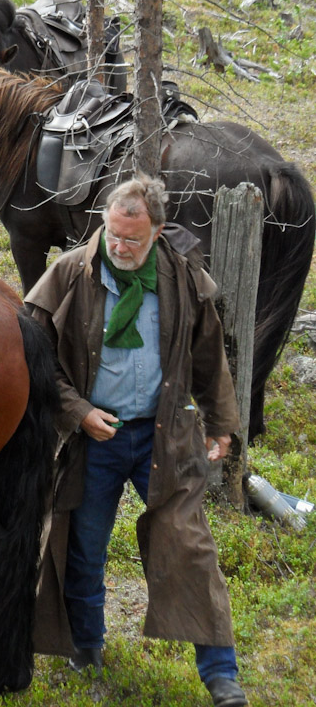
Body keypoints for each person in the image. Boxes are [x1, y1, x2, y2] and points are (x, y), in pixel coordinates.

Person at [25, 175, 248, 707]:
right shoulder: (70, 274)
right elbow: (35, 359)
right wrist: (77, 412)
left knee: (191, 550)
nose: (119, 248)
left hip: (163, 438)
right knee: (83, 549)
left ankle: (221, 675)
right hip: (95, 440)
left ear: (158, 232)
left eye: (133, 240)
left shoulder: (181, 275)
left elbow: (208, 353)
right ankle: (86, 645)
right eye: (113, 235)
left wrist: (221, 423)